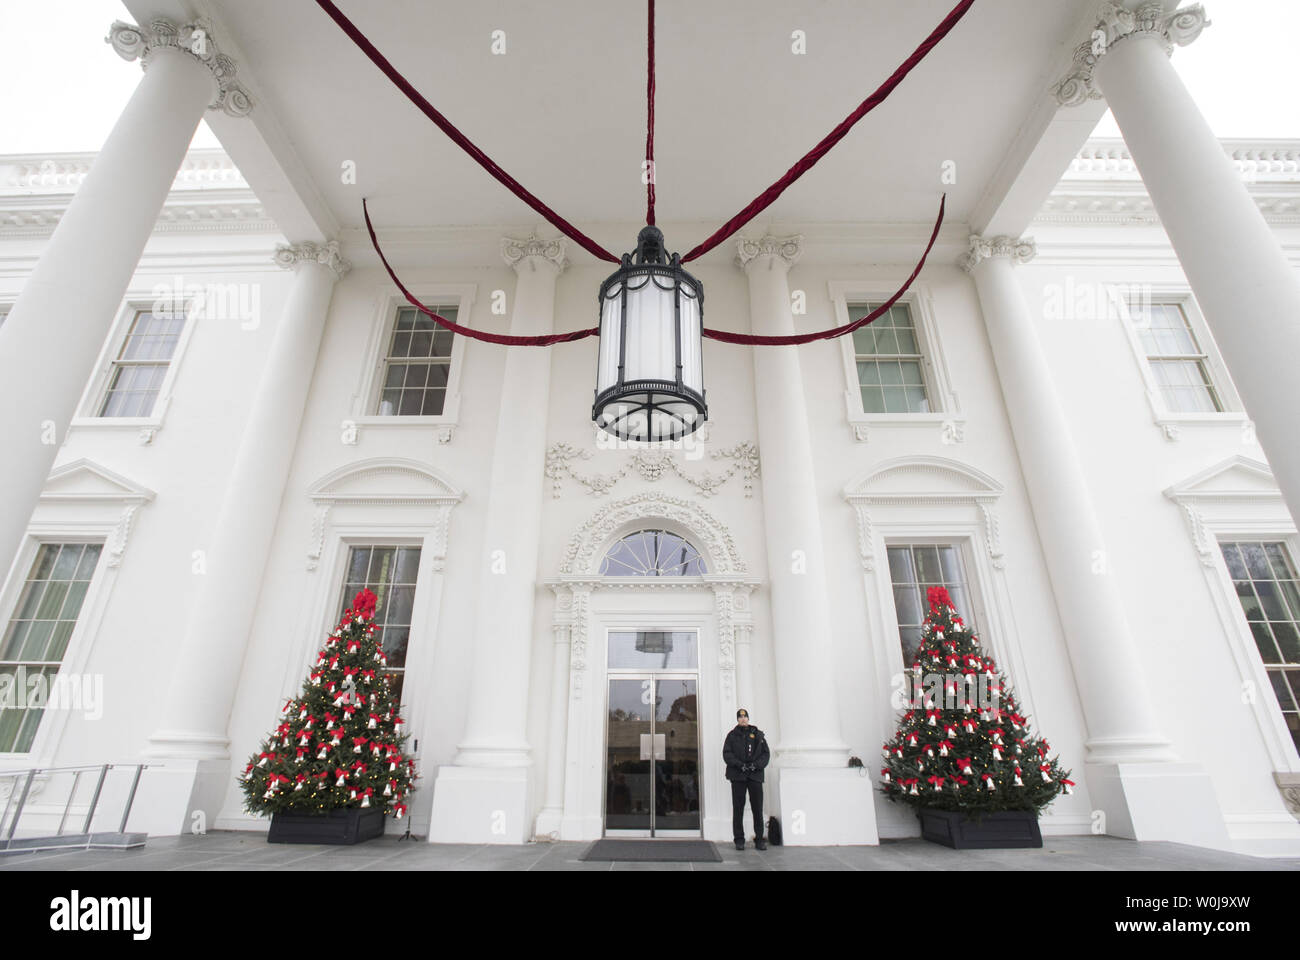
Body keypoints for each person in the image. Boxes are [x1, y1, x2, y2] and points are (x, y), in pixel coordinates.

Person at [722, 708, 769, 850]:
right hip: (738, 776)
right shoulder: (732, 736)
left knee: (757, 808)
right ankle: (739, 839)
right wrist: (739, 765)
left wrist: (756, 765)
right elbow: (727, 754)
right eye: (740, 717)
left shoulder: (758, 735)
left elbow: (765, 754)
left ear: (748, 718)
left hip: (754, 776)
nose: (743, 719)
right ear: (737, 719)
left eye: (745, 716)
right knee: (738, 808)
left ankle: (759, 839)